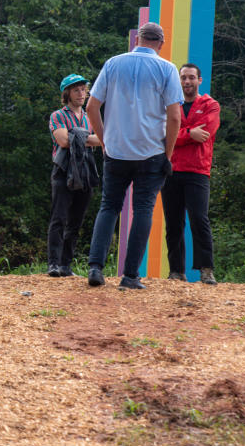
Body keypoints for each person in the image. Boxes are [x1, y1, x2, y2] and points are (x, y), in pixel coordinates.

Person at [85, 21, 182, 290]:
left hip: (116, 152)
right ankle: (129, 276)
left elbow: (92, 107)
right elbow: (174, 116)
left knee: (109, 206)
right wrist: (168, 154)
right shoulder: (167, 68)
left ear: (136, 40)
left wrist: (105, 140)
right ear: (160, 44)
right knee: (142, 210)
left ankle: (95, 267)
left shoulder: (114, 63)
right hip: (151, 152)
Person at [162, 63, 220, 285]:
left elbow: (206, 132)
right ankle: (176, 271)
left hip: (198, 171)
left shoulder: (210, 105)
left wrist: (177, 135)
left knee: (199, 219)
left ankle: (206, 269)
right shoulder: (170, 104)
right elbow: (162, 133)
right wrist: (189, 133)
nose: (187, 82)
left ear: (200, 80)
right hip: (171, 169)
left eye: (191, 78)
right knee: (173, 223)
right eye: (183, 78)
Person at [47, 74, 102, 277]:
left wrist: (77, 135)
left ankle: (65, 265)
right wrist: (88, 138)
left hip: (85, 168)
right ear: (67, 93)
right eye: (77, 90)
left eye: (83, 89)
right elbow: (63, 141)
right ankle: (53, 263)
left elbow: (101, 139)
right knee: (59, 217)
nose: (81, 94)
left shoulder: (89, 117)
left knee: (76, 220)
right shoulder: (58, 115)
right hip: (64, 169)